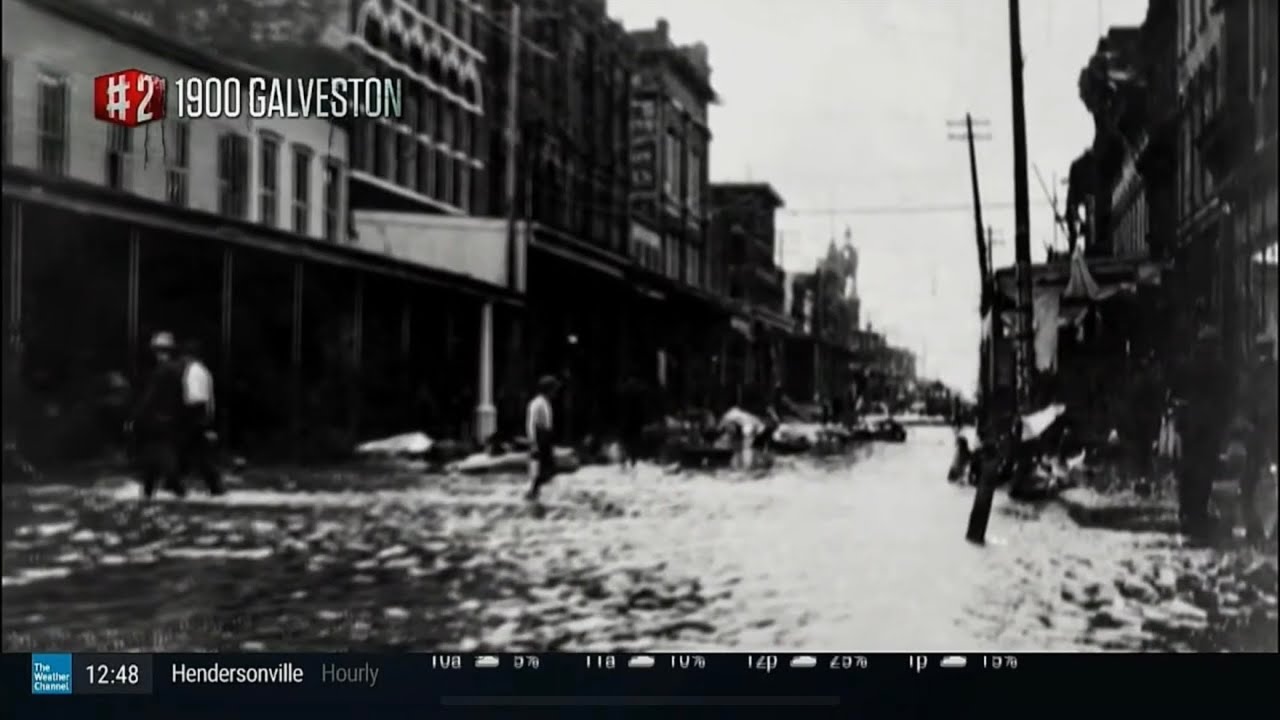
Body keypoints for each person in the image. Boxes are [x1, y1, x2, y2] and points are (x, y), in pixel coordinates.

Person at [1174, 325, 1230, 537]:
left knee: (1188, 469)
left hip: (1190, 426)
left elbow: (1178, 393)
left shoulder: (1188, 365)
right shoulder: (1219, 368)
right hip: (1209, 428)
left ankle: (1186, 512)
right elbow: (1225, 400)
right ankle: (1197, 514)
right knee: (1204, 473)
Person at [128, 332, 186, 499]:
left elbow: (150, 397)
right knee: (154, 454)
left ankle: (173, 486)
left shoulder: (162, 370)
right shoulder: (177, 369)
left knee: (160, 452)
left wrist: (135, 417)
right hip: (171, 418)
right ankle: (149, 489)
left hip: (158, 419)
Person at [179, 339, 225, 496]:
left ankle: (215, 486)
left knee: (198, 456)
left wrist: (189, 418)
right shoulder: (203, 371)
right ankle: (213, 485)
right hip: (202, 416)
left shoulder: (193, 371)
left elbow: (196, 398)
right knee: (196, 455)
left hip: (196, 417)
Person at [525, 375, 560, 501]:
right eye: (553, 389)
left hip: (546, 436)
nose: (554, 393)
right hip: (540, 437)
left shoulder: (546, 402)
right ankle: (533, 491)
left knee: (549, 468)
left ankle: (535, 491)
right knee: (543, 467)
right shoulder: (537, 403)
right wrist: (533, 442)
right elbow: (531, 423)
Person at [618, 376, 647, 468]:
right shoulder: (639, 392)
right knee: (633, 442)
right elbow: (642, 408)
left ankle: (625, 460)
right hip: (634, 421)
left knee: (626, 442)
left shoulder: (623, 392)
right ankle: (632, 461)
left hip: (627, 420)